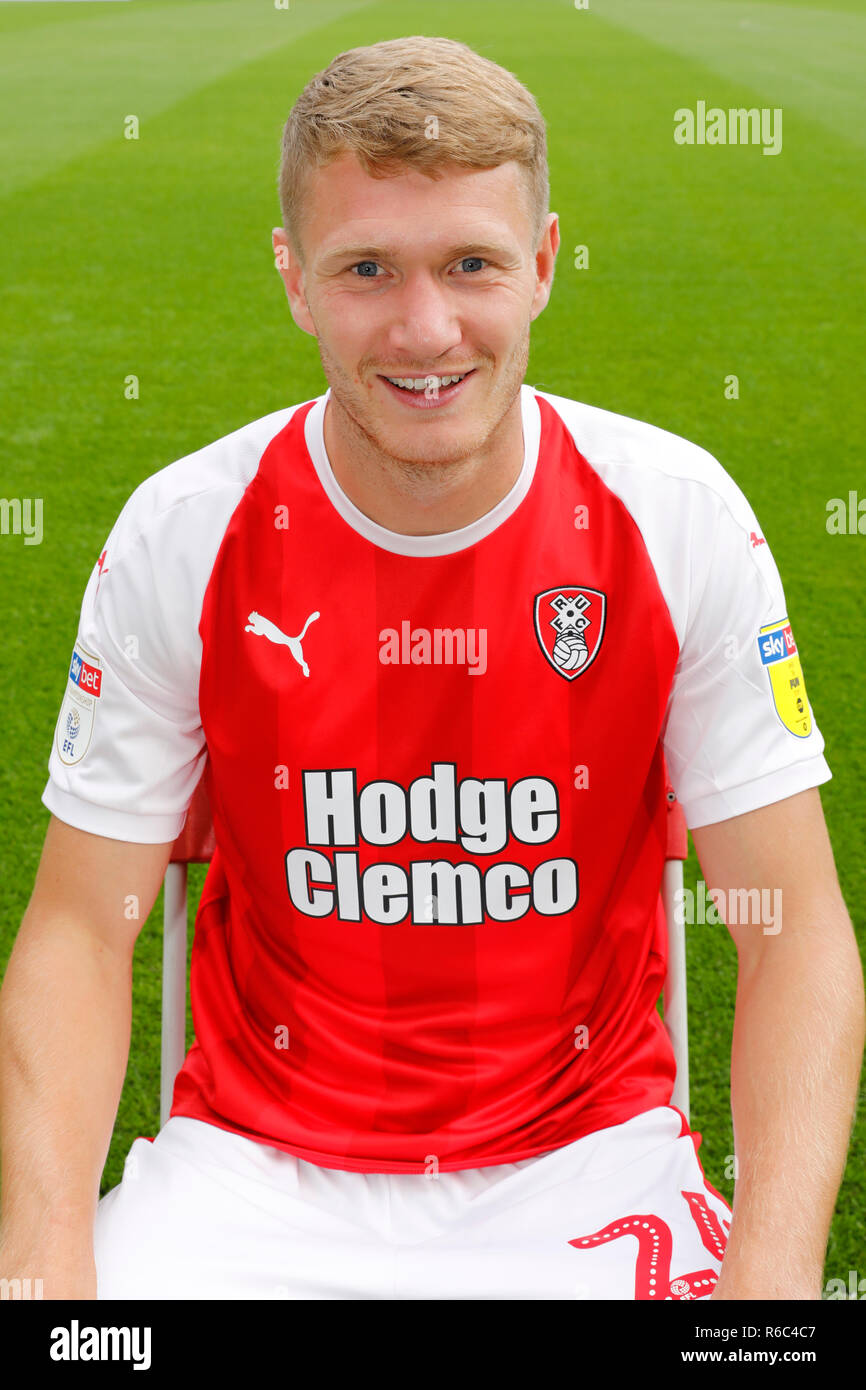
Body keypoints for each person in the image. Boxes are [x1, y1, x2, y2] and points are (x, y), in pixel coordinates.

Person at [0, 34, 862, 1303]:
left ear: (546, 263)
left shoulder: (672, 518)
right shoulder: (185, 532)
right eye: (366, 269)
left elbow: (792, 937)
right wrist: (46, 1262)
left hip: (589, 1165)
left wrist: (772, 1290)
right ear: (295, 280)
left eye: (471, 262)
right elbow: (80, 925)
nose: (424, 328)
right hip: (245, 1179)